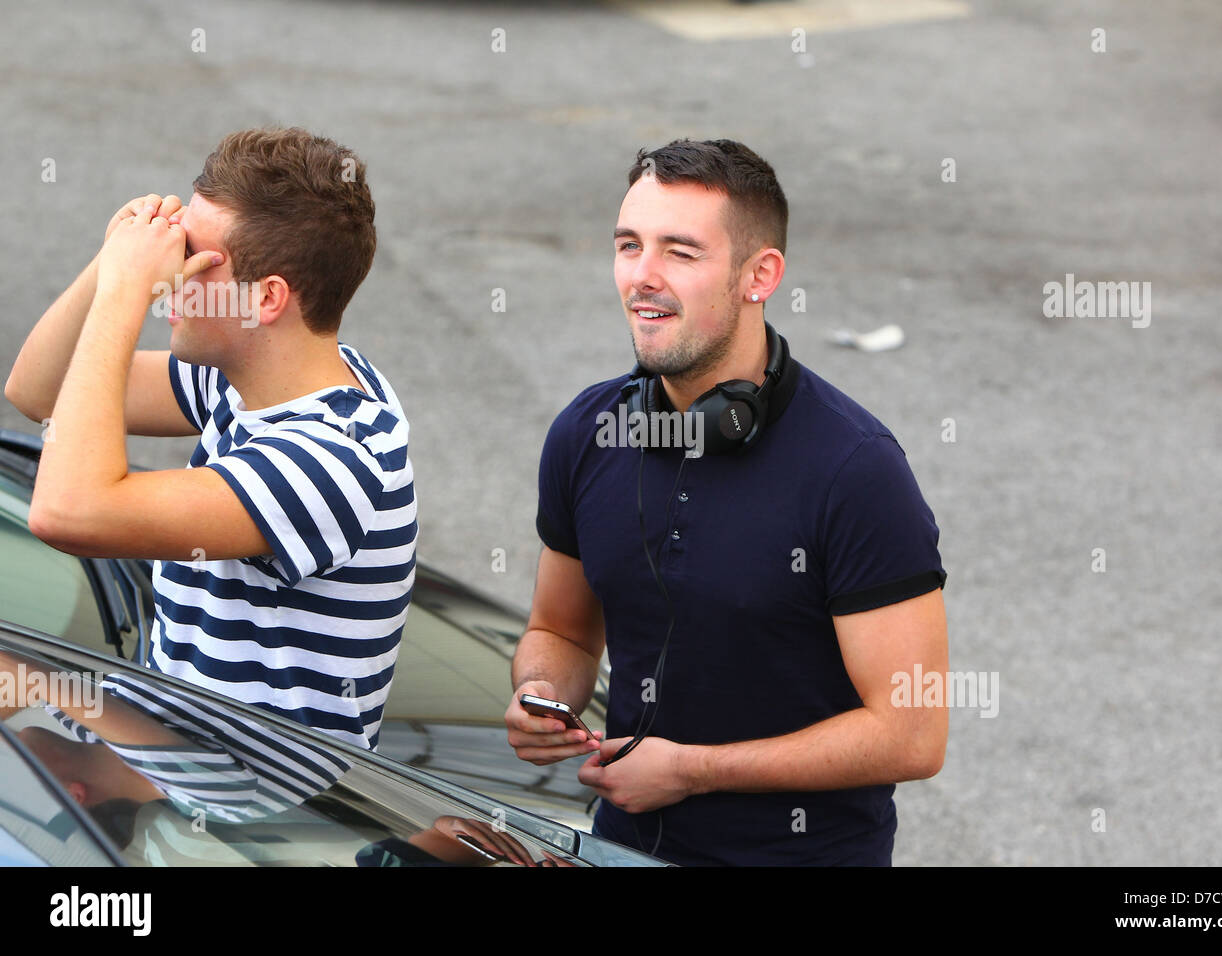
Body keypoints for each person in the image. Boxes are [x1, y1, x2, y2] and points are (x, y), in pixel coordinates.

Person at [505, 139, 949, 865]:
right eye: (629, 245)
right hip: (623, 849)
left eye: (680, 252)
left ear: (759, 276)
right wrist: (541, 692)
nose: (642, 277)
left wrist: (691, 771)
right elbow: (561, 630)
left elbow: (912, 733)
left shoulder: (857, 471)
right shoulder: (587, 434)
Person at [5, 128, 417, 751]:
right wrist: (110, 263)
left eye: (194, 257)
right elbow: (39, 391)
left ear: (267, 298)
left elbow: (66, 513)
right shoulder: (257, 378)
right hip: (169, 741)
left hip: (241, 792)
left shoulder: (332, 458)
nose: (170, 274)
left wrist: (125, 292)